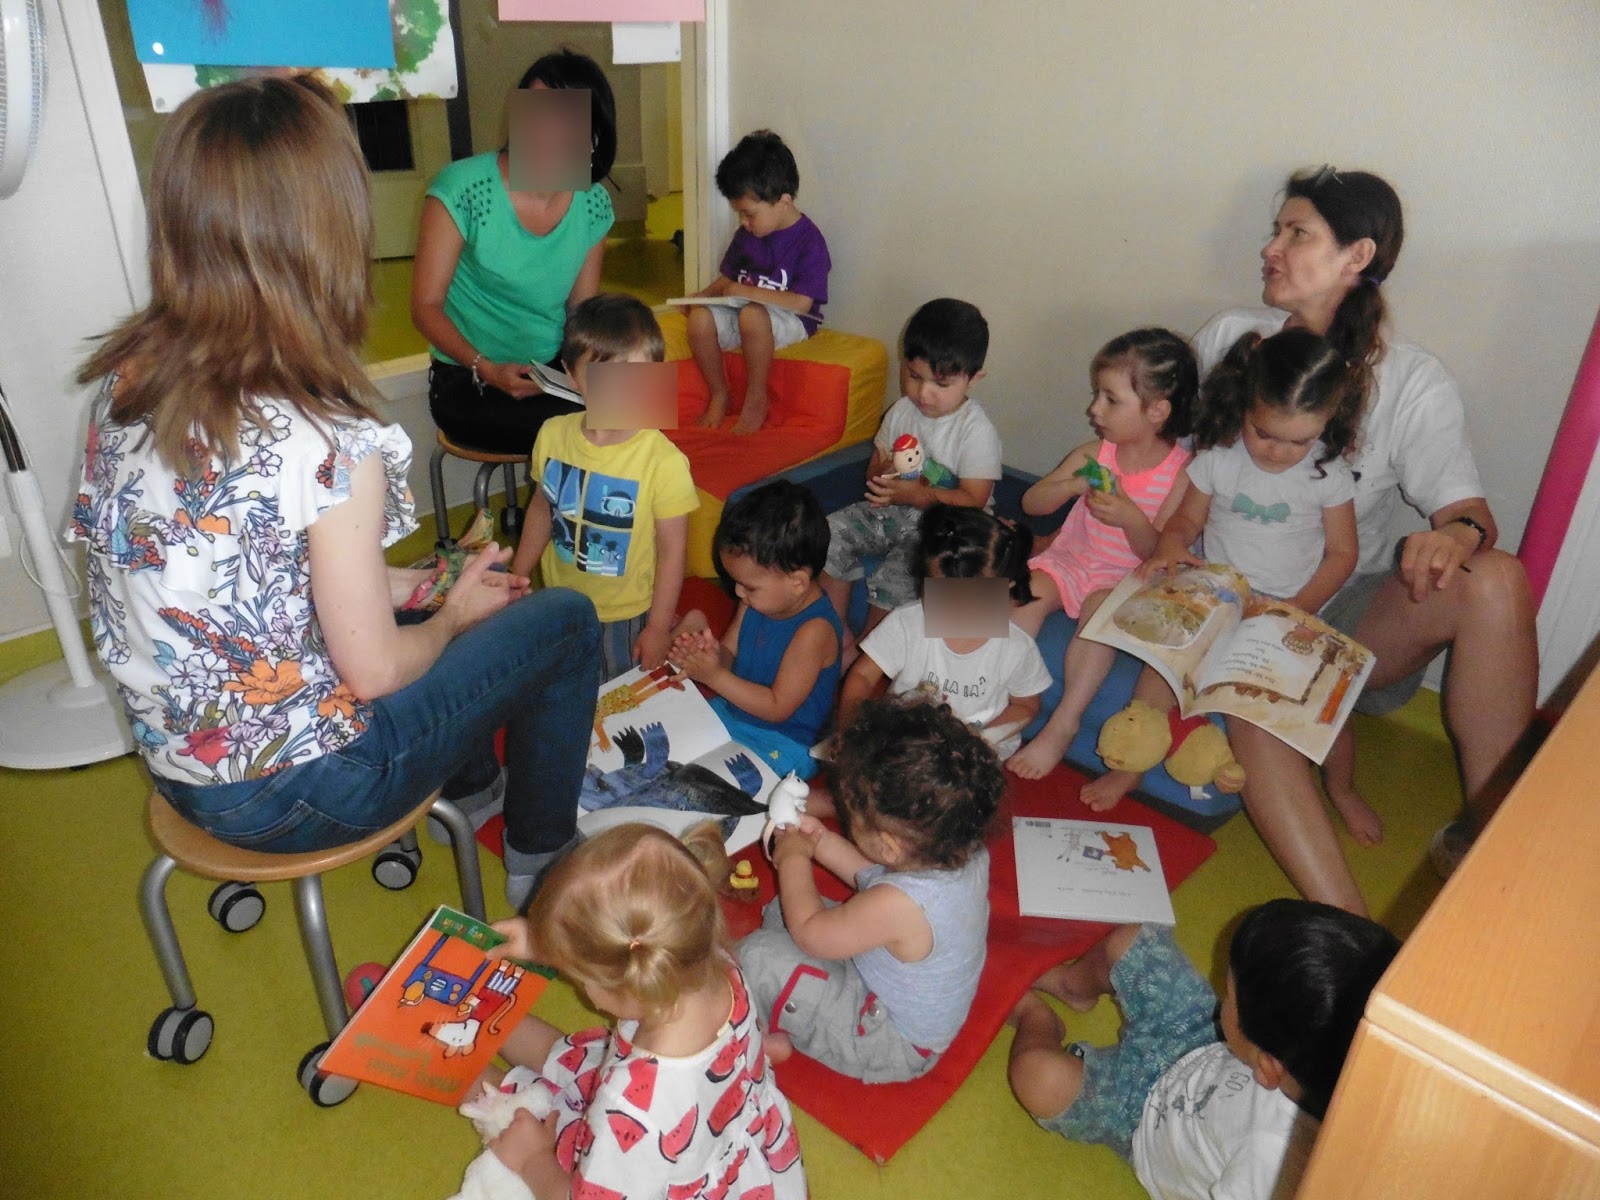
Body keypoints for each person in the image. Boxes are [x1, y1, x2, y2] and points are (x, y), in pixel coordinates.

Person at [68, 75, 599, 911]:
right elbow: (377, 668)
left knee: (432, 589)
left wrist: (424, 585)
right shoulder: (324, 439)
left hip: (182, 764)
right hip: (312, 787)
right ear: (329, 231)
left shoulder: (130, 385)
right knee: (564, 625)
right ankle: (546, 862)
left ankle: (474, 788)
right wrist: (454, 613)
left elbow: (246, 575)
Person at [1194, 166, 1538, 894]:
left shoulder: (1410, 380)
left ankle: (1495, 834)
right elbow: (1173, 473)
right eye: (1276, 230)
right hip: (1228, 599)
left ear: (1358, 256)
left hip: (1343, 610)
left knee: (1498, 577)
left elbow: (1470, 513)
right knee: (1257, 691)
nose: (1271, 249)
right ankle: (1345, 933)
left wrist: (1454, 537)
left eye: (1297, 234)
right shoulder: (1231, 339)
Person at [1081, 329, 1363, 827]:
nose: (1277, 452)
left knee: (1324, 710)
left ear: (1326, 423)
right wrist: (1170, 548)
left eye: (1298, 440)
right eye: (1263, 433)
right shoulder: (1219, 462)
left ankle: (1341, 787)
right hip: (1216, 592)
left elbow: (1342, 554)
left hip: (1289, 607)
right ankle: (1133, 768)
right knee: (1161, 670)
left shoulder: (1327, 474)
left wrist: (1296, 607)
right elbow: (1186, 523)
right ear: (1244, 409)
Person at [475, 823, 805, 1200]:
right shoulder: (707, 961)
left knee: (504, 1112)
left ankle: (452, 1042)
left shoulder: (628, 1106)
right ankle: (479, 1015)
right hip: (722, 1137)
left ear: (629, 983)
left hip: (646, 1163)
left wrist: (533, 1158)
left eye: (580, 978)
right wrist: (542, 942)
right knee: (573, 1060)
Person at [1007, 899, 1400, 1200]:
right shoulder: (1325, 1057)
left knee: (1037, 1075)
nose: (1223, 990)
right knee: (1132, 939)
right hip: (1203, 1038)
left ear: (1268, 1067)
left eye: (1229, 994)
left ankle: (1037, 1021)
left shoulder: (1271, 1167)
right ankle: (1074, 988)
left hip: (1139, 1116)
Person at [737, 696, 1002, 1083]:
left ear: (890, 845)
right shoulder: (960, 849)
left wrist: (793, 858)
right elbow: (876, 877)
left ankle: (747, 1043)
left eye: (851, 812)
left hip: (885, 1040)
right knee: (781, 911)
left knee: (756, 956)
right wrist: (821, 841)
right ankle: (780, 1003)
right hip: (888, 979)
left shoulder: (900, 904)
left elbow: (813, 934)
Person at [1007, 327, 1199, 780]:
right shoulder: (1095, 453)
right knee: (1022, 594)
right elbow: (1032, 503)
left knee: (1098, 622)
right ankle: (996, 696)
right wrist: (1072, 485)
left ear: (1157, 411)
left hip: (1126, 578)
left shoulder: (1180, 475)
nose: (1094, 409)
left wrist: (1133, 517)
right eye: (1098, 395)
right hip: (1067, 561)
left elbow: (1160, 551)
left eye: (1110, 400)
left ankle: (1063, 723)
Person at [413, 50, 618, 460]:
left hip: (552, 371)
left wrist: (586, 369)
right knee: (587, 430)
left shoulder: (592, 202)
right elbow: (425, 307)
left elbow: (581, 311)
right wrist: (486, 367)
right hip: (468, 377)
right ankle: (551, 522)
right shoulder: (464, 189)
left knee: (653, 403)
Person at [509, 294, 697, 679]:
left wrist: (658, 628)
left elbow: (672, 553)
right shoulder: (551, 434)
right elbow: (542, 510)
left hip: (624, 612)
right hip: (559, 597)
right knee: (562, 683)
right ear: (572, 376)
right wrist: (519, 574)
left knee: (615, 695)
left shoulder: (664, 462)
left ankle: (680, 629)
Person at [820, 299, 1003, 654]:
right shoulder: (902, 410)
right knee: (829, 531)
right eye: (914, 376)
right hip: (896, 509)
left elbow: (975, 501)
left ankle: (869, 652)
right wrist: (883, 474)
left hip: (953, 524)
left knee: (905, 567)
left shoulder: (976, 430)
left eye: (941, 383)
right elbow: (875, 468)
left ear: (973, 378)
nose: (923, 393)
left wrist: (918, 496)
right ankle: (832, 631)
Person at [838, 504, 1052, 762]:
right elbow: (862, 675)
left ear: (1006, 586)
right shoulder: (908, 622)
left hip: (976, 752)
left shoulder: (1016, 647)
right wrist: (850, 726)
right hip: (904, 740)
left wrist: (980, 741)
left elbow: (1026, 706)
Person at [670, 481, 843, 780]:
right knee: (666, 746)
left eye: (748, 585)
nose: (738, 592)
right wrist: (709, 656)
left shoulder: (815, 631)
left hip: (782, 741)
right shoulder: (758, 600)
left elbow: (777, 707)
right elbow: (730, 654)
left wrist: (714, 675)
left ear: (798, 582)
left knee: (713, 791)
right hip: (732, 713)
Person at [688, 130, 831, 434]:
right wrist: (701, 297)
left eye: (748, 214)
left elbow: (802, 303)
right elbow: (728, 278)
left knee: (753, 315)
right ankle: (719, 392)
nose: (743, 222)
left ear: (783, 201)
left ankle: (756, 397)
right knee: (700, 319)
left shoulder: (809, 241)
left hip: (792, 319)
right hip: (745, 310)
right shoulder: (748, 235)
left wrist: (747, 292)